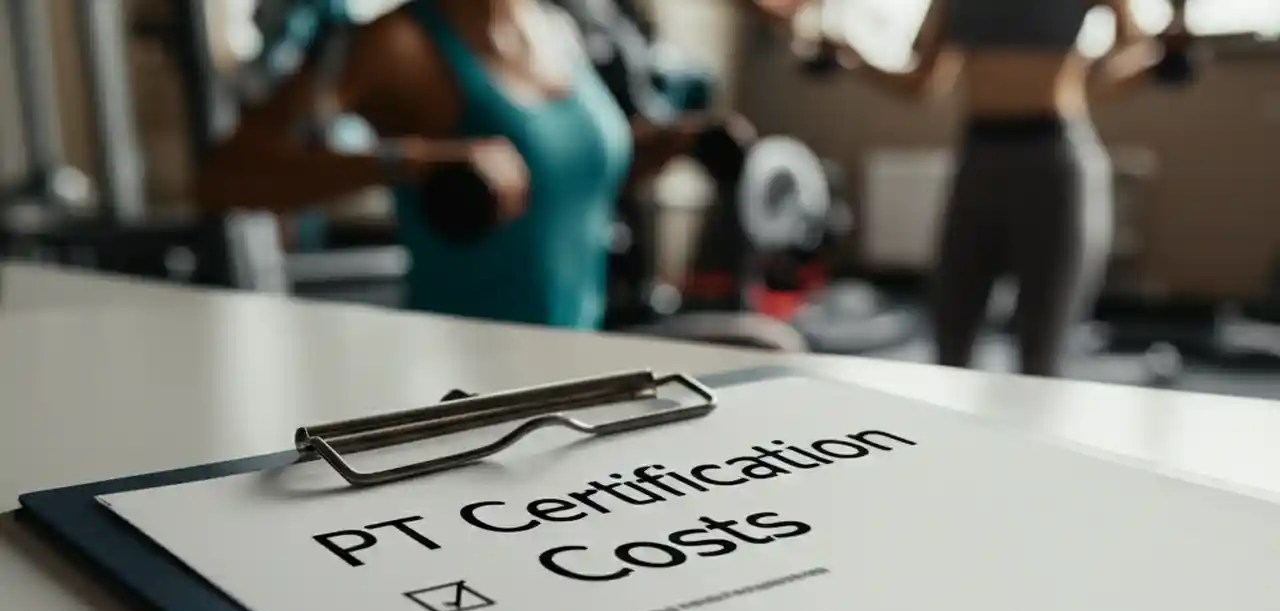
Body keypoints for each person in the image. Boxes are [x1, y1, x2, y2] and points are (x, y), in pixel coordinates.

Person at [198, 0, 803, 329]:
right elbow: (226, 178)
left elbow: (561, 179)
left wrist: (673, 144)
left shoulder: (556, 25)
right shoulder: (399, 44)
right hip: (468, 372)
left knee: (765, 347)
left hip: (579, 356)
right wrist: (409, 159)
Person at [823, 0, 1163, 376]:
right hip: (979, 156)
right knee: (951, 338)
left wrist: (1121, 67)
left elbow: (1135, 49)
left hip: (1052, 158)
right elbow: (922, 83)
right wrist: (850, 55)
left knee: (1042, 346)